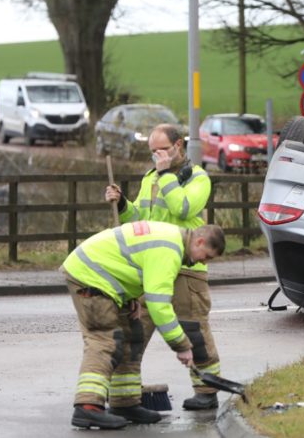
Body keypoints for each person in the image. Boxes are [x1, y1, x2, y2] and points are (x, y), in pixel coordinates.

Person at [104, 123, 224, 415]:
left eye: (162, 150)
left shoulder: (198, 178)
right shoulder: (150, 178)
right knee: (135, 330)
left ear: (179, 146)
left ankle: (207, 390)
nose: (156, 156)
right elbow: (142, 219)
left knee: (193, 328)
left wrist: (166, 175)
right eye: (152, 151)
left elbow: (183, 208)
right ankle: (124, 397)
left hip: (187, 267)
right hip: (152, 264)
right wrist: (121, 204)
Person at [63, 221, 226, 429]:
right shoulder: (170, 250)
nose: (202, 262)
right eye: (207, 256)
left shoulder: (173, 242)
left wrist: (130, 296)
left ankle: (125, 403)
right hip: (90, 277)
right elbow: (159, 306)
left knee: (132, 334)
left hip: (107, 280)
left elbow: (134, 265)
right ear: (200, 241)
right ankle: (87, 407)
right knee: (105, 339)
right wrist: (181, 345)